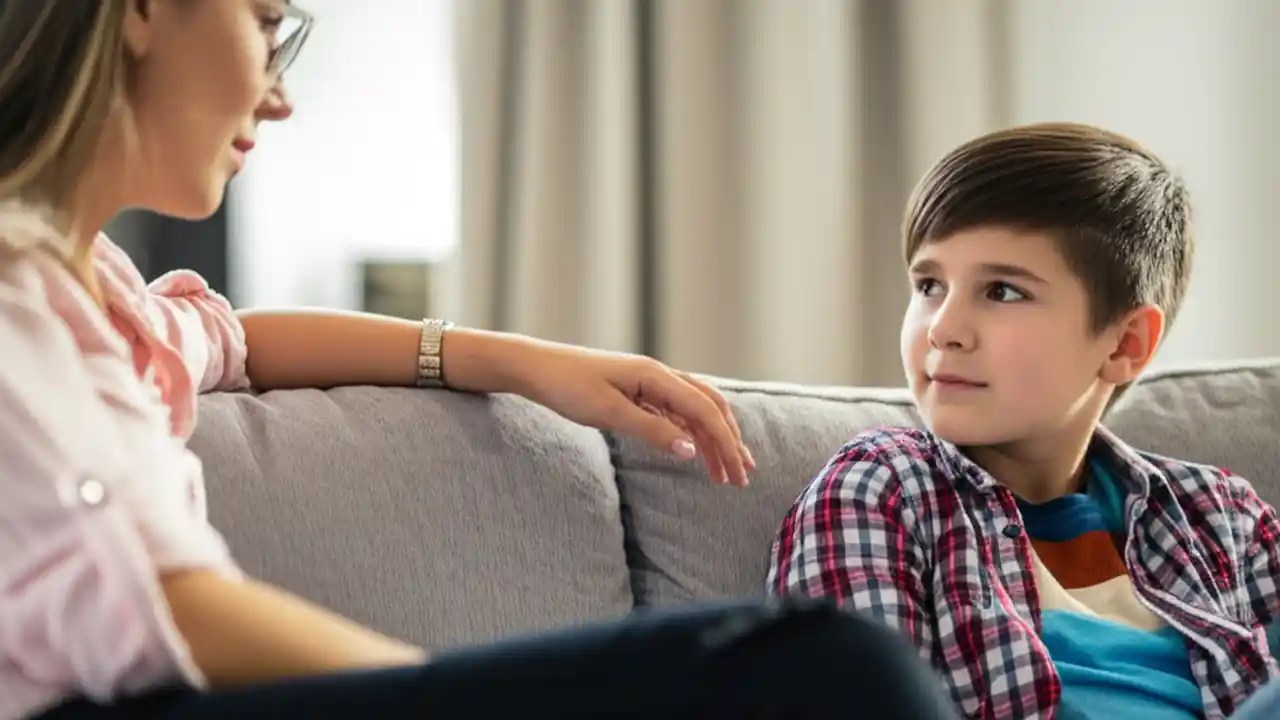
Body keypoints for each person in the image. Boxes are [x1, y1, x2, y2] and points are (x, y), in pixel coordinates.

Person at [0, 2, 963, 718]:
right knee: (825, 670)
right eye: (265, 24)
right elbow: (172, 607)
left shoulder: (106, 299)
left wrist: (526, 362)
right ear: (141, 11)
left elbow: (241, 342)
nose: (281, 95)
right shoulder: (13, 299)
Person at [767, 121, 1280, 719]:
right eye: (929, 284)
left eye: (1003, 291)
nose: (944, 328)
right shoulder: (881, 489)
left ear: (1124, 345)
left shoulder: (1224, 520)